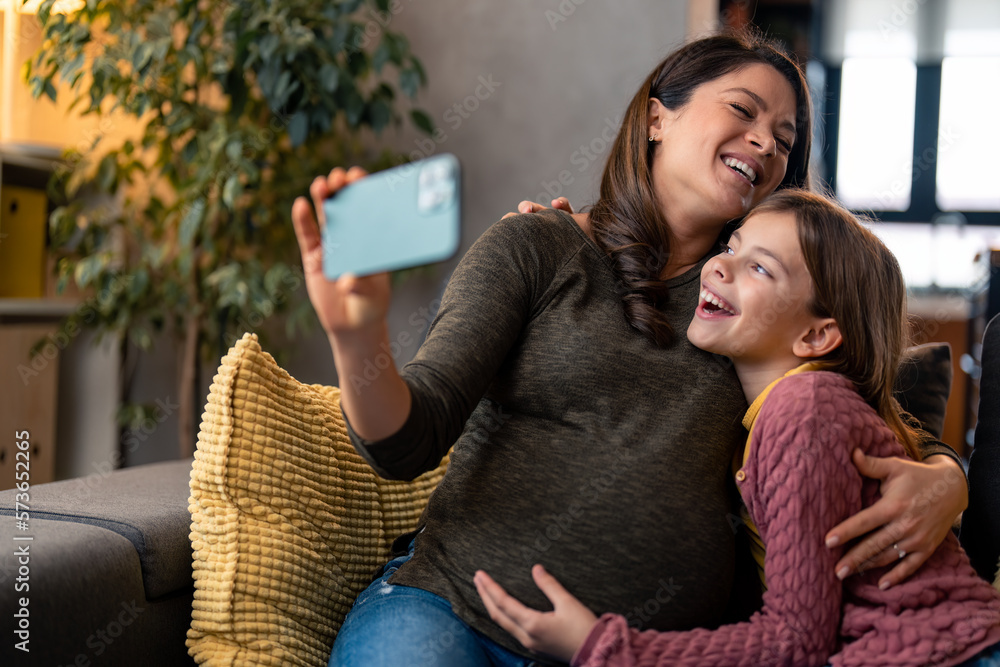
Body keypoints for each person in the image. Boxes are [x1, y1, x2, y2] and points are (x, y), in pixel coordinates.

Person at [290, 32, 969, 666]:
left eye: (785, 138)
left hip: (637, 651)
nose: (765, 141)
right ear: (655, 119)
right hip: (458, 613)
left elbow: (873, 415)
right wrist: (358, 338)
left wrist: (948, 480)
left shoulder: (761, 311)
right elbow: (406, 445)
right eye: (743, 110)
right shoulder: (537, 245)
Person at [473, 189, 1000, 667]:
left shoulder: (805, 411)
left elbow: (796, 639)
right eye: (731, 246)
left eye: (761, 269)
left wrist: (604, 648)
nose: (720, 268)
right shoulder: (775, 410)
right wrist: (565, 244)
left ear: (817, 336)